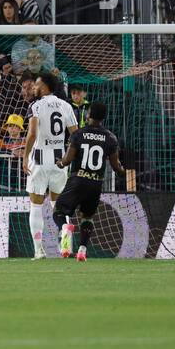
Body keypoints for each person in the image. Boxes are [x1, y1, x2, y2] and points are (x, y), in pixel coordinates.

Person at [53, 100, 128, 261]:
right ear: (103, 118)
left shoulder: (78, 134)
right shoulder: (110, 137)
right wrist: (124, 172)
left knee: (58, 212)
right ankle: (82, 250)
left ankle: (64, 228)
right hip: (96, 184)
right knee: (87, 217)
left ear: (88, 115)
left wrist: (59, 163)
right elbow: (116, 166)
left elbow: (67, 160)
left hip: (78, 180)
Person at [23, 70, 79, 260]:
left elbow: (31, 134)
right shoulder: (66, 106)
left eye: (36, 84)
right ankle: (65, 245)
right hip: (59, 161)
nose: (33, 87)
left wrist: (24, 156)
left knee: (36, 206)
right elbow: (75, 135)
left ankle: (39, 250)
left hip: (39, 160)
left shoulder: (36, 106)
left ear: (45, 86)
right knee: (59, 206)